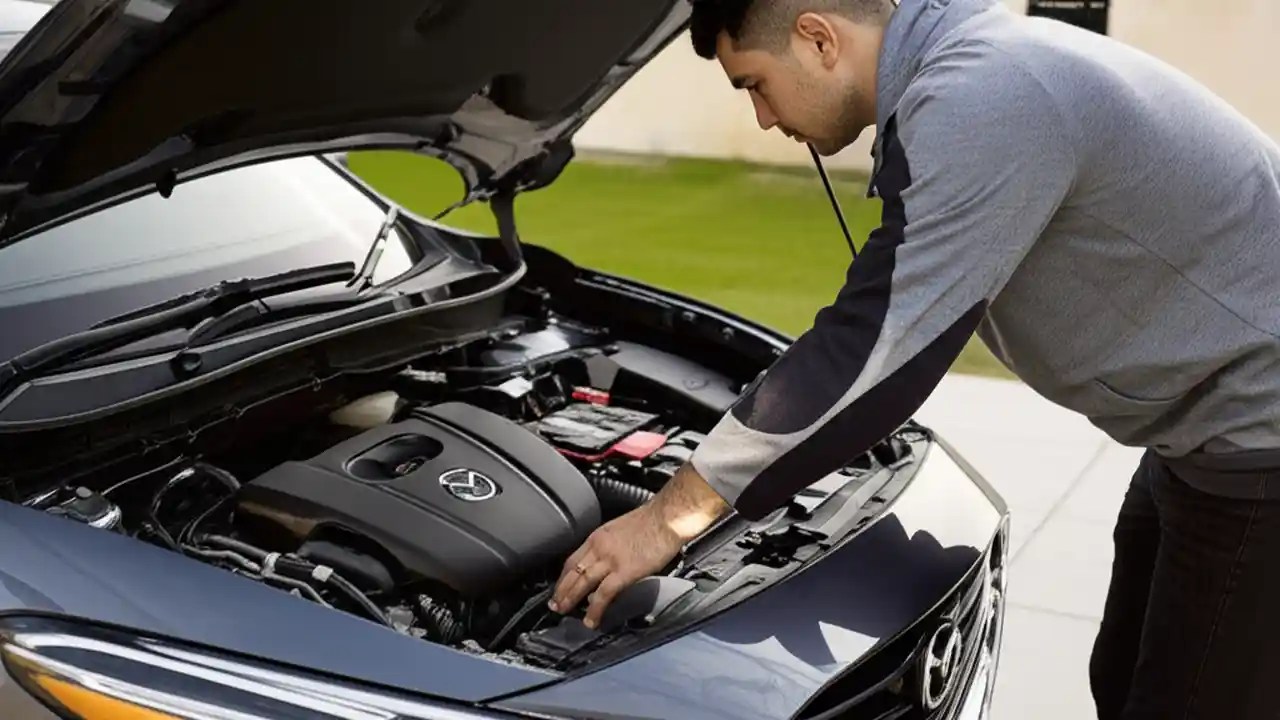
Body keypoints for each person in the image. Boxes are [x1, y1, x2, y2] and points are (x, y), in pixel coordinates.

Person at [548, 0, 1280, 717]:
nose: (765, 119)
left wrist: (665, 520)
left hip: (1257, 426)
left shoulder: (983, 97)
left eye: (755, 86)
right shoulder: (968, 61)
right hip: (1206, 424)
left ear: (817, 39)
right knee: (1122, 671)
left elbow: (872, 350)